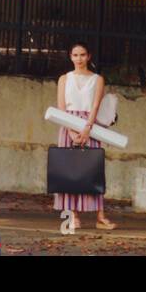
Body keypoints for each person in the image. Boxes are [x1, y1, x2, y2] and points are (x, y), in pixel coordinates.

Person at [53, 42, 116, 230]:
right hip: (68, 124)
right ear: (70, 57)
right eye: (75, 55)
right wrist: (71, 130)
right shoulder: (64, 79)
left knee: (93, 170)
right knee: (70, 171)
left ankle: (100, 216)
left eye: (82, 55)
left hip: (90, 125)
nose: (79, 59)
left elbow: (95, 105)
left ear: (88, 56)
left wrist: (87, 128)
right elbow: (61, 107)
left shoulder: (97, 79)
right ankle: (73, 215)